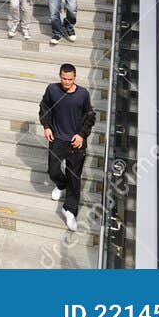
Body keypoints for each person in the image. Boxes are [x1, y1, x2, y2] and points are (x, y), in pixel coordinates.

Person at [38, 63, 96, 232]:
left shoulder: (83, 94)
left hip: (76, 142)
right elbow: (44, 108)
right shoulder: (52, 90)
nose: (67, 82)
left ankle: (69, 210)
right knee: (53, 170)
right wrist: (46, 126)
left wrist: (82, 135)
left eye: (70, 79)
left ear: (75, 77)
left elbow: (90, 116)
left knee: (74, 177)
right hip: (57, 138)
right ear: (60, 76)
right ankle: (61, 185)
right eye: (64, 78)